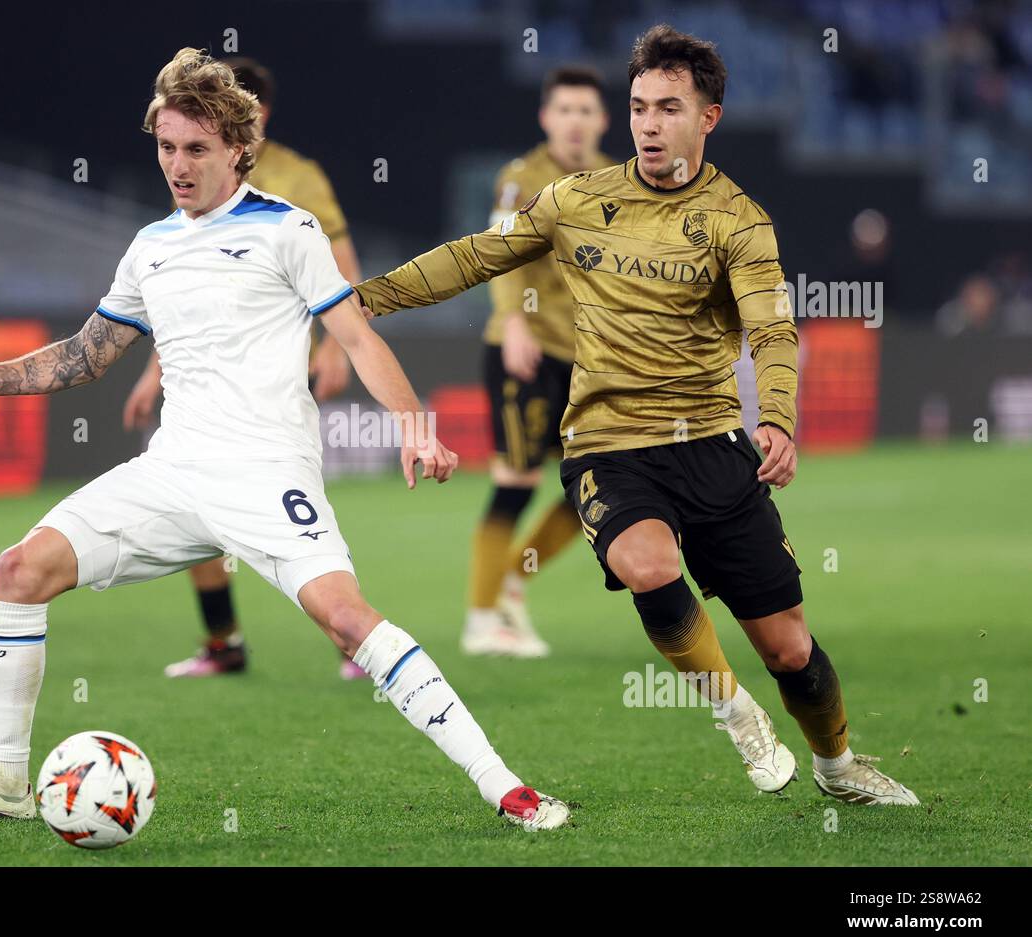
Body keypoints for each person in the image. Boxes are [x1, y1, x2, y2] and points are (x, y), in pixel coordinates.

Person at [0, 48, 568, 830]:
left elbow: (355, 338)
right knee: (19, 570)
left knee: (349, 622)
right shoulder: (151, 247)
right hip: (174, 472)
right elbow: (86, 356)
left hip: (266, 474)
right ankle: (7, 785)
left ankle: (506, 787)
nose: (177, 165)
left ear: (236, 149)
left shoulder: (288, 230)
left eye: (195, 149)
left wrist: (415, 427)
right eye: (165, 147)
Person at [354, 25, 918, 806]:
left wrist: (779, 418)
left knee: (790, 649)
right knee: (645, 564)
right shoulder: (576, 200)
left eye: (668, 108)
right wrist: (365, 297)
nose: (648, 124)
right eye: (639, 107)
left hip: (714, 444)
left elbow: (772, 329)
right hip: (607, 443)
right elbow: (474, 255)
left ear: (708, 118)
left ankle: (838, 765)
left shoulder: (738, 220)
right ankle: (736, 715)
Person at [119, 58, 368, 680]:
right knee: (194, 510)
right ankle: (224, 642)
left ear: (257, 113)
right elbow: (190, 298)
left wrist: (335, 348)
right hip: (201, 387)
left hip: (274, 373)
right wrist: (153, 375)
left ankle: (355, 642)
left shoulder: (296, 179)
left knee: (292, 519)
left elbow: (340, 260)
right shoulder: (195, 170)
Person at [464, 65, 615, 659]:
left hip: (589, 359)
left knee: (599, 484)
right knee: (517, 480)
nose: (575, 121)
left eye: (586, 111)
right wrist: (517, 320)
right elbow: (499, 249)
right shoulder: (521, 178)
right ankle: (480, 621)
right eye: (565, 110)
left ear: (603, 121)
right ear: (546, 117)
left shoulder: (614, 182)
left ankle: (511, 586)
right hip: (523, 349)